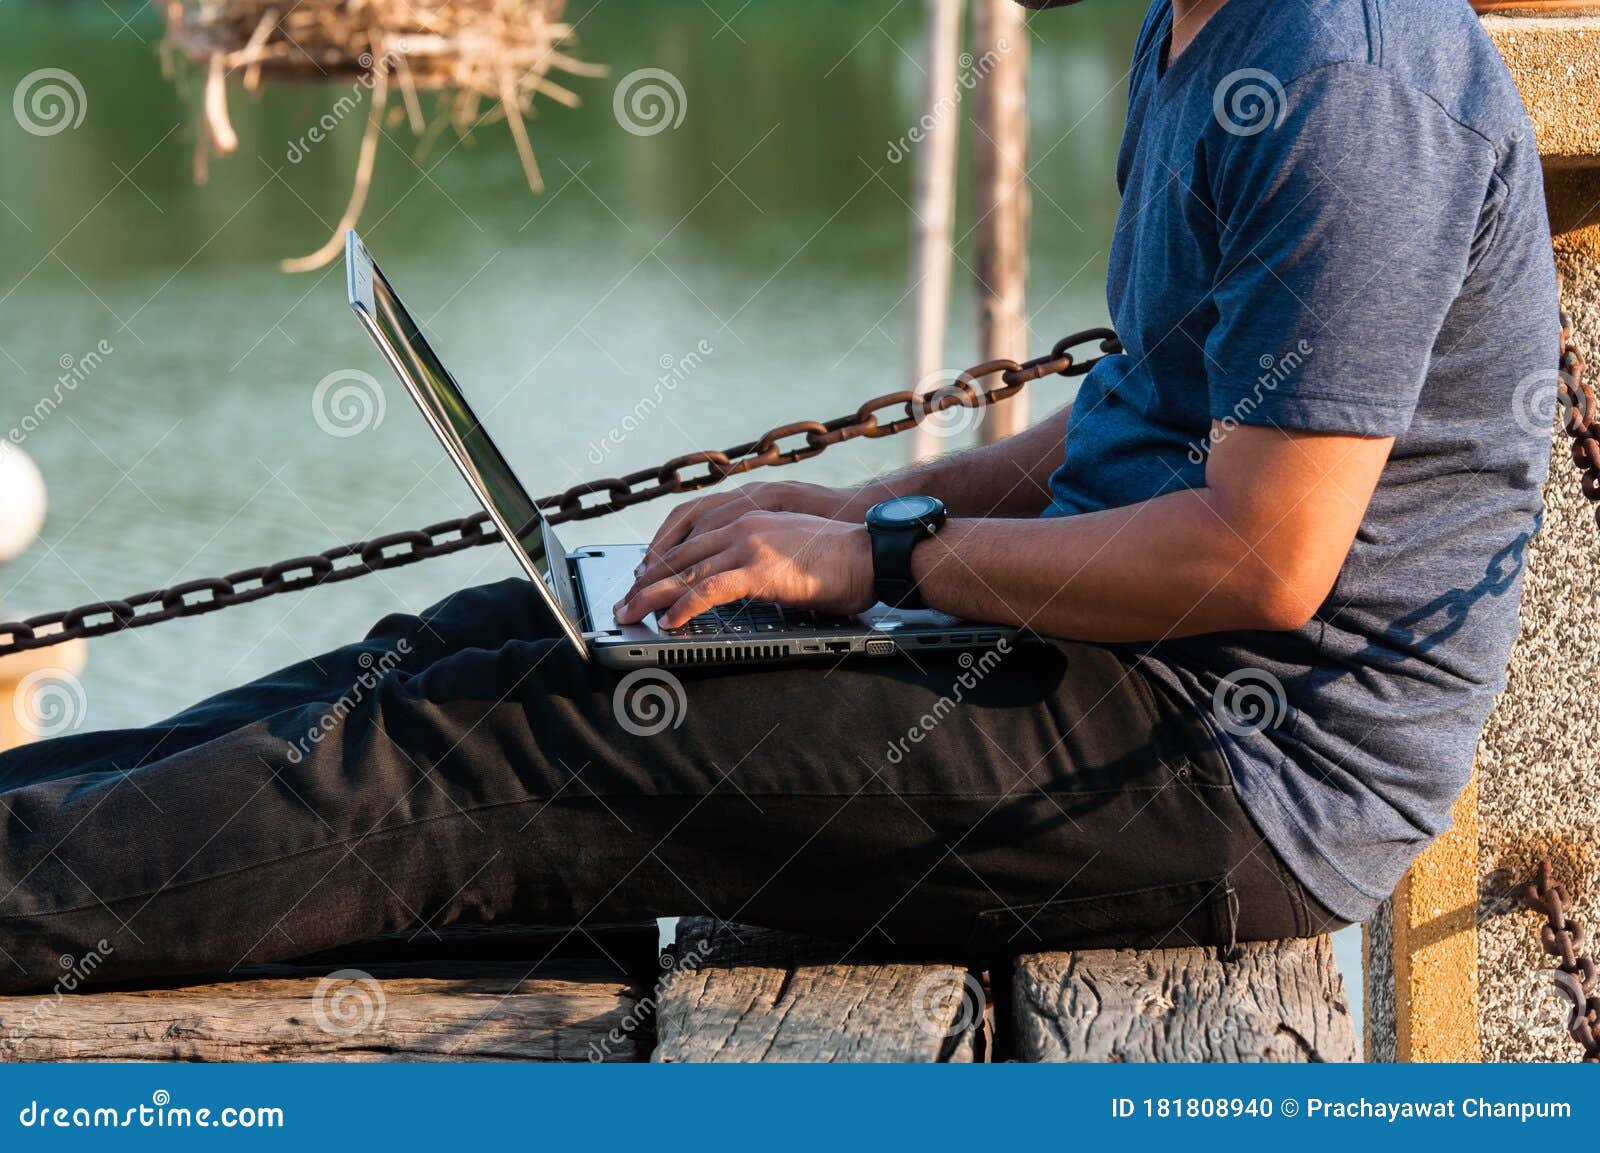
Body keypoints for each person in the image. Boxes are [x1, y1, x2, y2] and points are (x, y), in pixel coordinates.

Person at [0, 0, 1558, 993]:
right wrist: (853, 505)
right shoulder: (1205, 32)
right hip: (1114, 659)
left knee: (489, 748)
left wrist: (885, 554)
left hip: (1229, 768)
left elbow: (1262, 553)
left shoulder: (1349, 81)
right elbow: (1140, 416)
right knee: (464, 643)